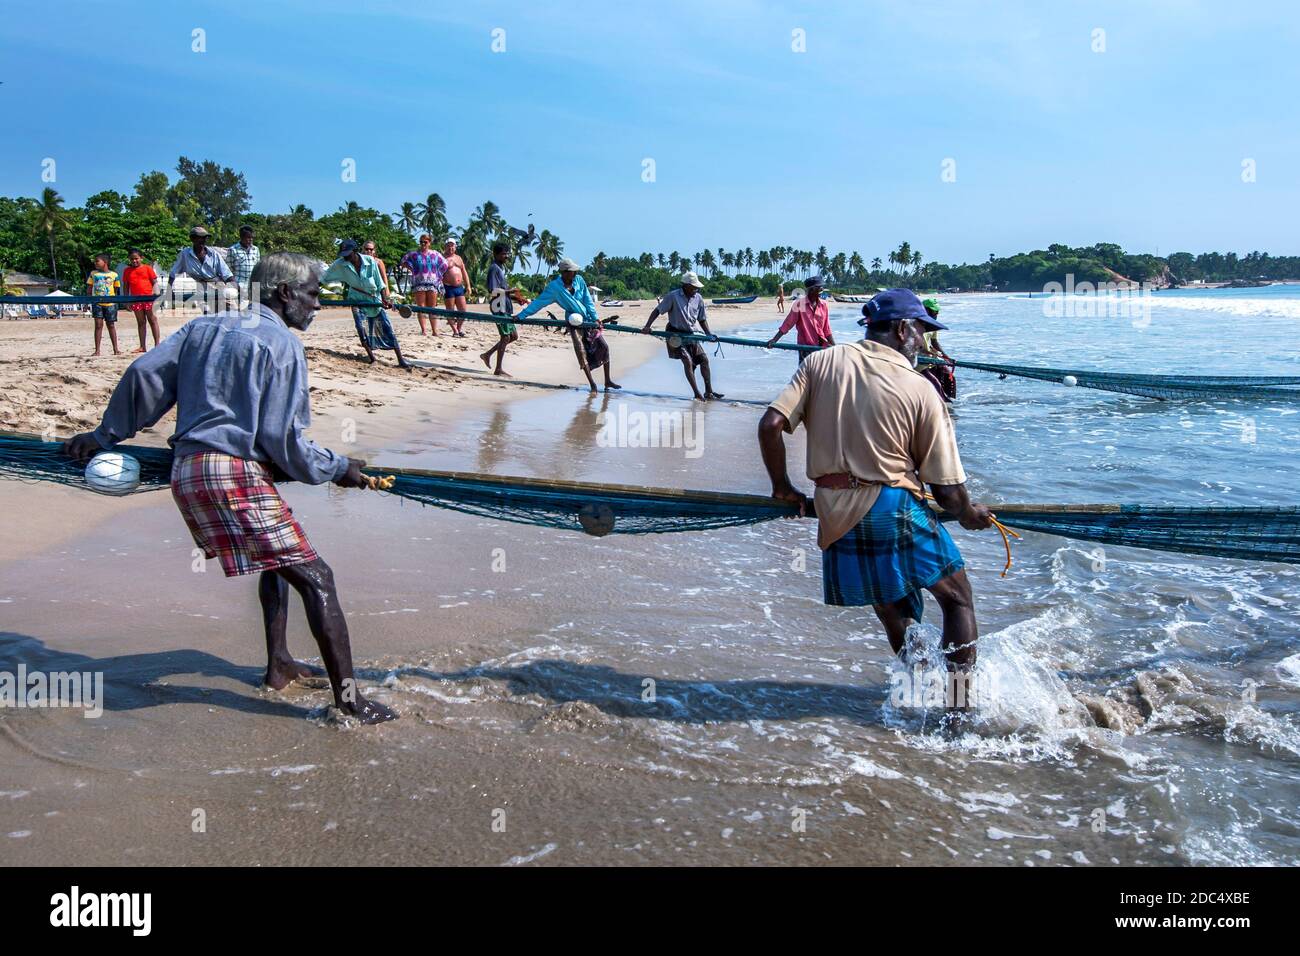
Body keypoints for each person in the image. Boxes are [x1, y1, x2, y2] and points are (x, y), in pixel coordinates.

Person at [62, 252, 396, 724]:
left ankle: (279, 663)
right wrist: (340, 467)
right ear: (284, 293)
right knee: (318, 578)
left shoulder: (205, 327)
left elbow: (144, 375)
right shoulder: (280, 344)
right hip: (230, 474)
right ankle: (350, 702)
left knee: (277, 563)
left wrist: (104, 435)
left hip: (189, 471)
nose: (318, 305)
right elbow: (286, 441)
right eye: (314, 294)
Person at [757, 288, 993, 703]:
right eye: (920, 332)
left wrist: (782, 487)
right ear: (902, 329)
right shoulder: (919, 388)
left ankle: (922, 689)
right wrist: (969, 513)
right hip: (890, 506)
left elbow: (771, 425)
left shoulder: (819, 361)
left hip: (835, 516)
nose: (921, 341)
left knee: (894, 610)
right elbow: (947, 491)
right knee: (957, 600)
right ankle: (958, 711)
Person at [516, 258, 620, 392]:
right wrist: (521, 316)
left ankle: (607, 381)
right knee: (581, 351)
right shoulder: (554, 288)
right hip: (573, 322)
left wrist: (595, 318)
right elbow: (538, 303)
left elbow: (588, 300)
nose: (575, 274)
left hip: (588, 320)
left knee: (603, 346)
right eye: (572, 272)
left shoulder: (579, 280)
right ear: (564, 272)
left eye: (575, 271)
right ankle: (593, 384)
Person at [322, 239, 410, 369]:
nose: (346, 257)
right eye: (344, 255)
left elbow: (380, 283)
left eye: (348, 254)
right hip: (357, 300)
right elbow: (324, 277)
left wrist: (385, 299)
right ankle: (372, 358)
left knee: (386, 327)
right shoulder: (340, 264)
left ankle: (401, 360)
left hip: (374, 299)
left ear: (355, 252)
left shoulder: (371, 262)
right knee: (361, 327)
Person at [642, 272, 724, 401]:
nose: (696, 289)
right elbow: (657, 310)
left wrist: (709, 335)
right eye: (693, 287)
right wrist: (647, 326)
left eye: (697, 287)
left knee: (704, 360)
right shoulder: (673, 296)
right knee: (687, 360)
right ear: (685, 285)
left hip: (691, 334)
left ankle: (709, 391)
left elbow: (702, 319)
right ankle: (697, 393)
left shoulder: (699, 298)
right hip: (674, 334)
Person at [481, 240, 527, 377]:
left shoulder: (500, 269)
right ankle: (498, 369)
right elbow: (493, 291)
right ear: (495, 255)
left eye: (507, 254)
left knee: (513, 336)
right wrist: (511, 291)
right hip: (499, 307)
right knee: (506, 336)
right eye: (503, 254)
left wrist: (515, 298)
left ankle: (487, 354)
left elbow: (503, 291)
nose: (506, 256)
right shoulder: (494, 268)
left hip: (505, 306)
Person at [767, 275, 834, 362]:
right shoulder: (799, 304)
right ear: (812, 289)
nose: (822, 289)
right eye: (819, 287)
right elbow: (788, 323)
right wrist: (774, 340)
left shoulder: (823, 305)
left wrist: (834, 346)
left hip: (821, 348)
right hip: (805, 348)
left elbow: (826, 329)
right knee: (805, 374)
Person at [168, 226, 235, 313]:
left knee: (231, 313)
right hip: (201, 287)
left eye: (205, 238)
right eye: (200, 238)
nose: (203, 240)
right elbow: (173, 273)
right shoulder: (185, 255)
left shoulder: (214, 254)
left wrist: (236, 287)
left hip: (219, 285)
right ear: (192, 239)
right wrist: (169, 290)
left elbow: (227, 275)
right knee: (208, 315)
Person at [398, 234, 446, 336]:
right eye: (421, 242)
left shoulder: (435, 254)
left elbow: (445, 264)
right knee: (421, 307)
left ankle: (434, 330)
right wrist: (412, 269)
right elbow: (403, 261)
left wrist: (438, 275)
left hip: (432, 283)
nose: (423, 244)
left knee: (432, 308)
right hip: (419, 282)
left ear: (429, 243)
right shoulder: (414, 254)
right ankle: (424, 330)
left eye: (425, 242)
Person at [121, 248, 161, 352]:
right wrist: (127, 300)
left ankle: (157, 344)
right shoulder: (127, 271)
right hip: (136, 299)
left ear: (141, 258)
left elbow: (154, 282)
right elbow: (126, 286)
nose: (134, 261)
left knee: (152, 320)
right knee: (141, 322)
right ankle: (142, 346)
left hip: (148, 298)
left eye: (136, 258)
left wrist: (156, 295)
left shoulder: (147, 268)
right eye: (132, 259)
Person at [919, 297, 956, 402]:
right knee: (935, 384)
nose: (936, 314)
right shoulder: (916, 323)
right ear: (925, 310)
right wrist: (926, 352)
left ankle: (951, 403)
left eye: (937, 312)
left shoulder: (933, 325)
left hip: (931, 358)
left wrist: (946, 357)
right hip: (919, 361)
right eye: (934, 311)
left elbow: (934, 342)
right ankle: (943, 402)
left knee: (949, 376)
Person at [85, 254, 121, 356]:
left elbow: (116, 289)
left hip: (110, 303)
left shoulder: (114, 275)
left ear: (105, 262)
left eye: (97, 261)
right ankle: (97, 350)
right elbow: (89, 288)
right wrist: (87, 302)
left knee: (111, 325)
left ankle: (115, 349)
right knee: (98, 325)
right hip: (97, 303)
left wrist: (116, 302)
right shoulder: (93, 274)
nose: (95, 263)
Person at [442, 238, 472, 336]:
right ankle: (454, 330)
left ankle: (459, 329)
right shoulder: (442, 258)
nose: (450, 247)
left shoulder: (459, 258)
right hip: (448, 287)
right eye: (448, 245)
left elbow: (464, 272)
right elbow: (438, 273)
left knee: (463, 310)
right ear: (445, 246)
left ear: (455, 247)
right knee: (450, 311)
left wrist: (468, 286)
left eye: (452, 245)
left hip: (459, 287)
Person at [225, 225, 260, 308]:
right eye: (248, 237)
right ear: (241, 237)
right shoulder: (233, 250)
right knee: (241, 310)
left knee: (254, 310)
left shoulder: (255, 250)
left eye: (252, 237)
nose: (250, 240)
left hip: (253, 285)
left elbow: (258, 268)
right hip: (239, 285)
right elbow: (228, 270)